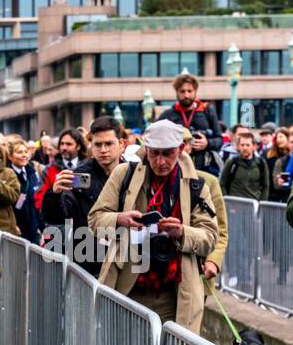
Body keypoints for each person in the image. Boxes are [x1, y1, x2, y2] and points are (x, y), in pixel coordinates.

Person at [88, 119, 219, 332]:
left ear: (181, 149)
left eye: (167, 153)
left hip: (174, 293)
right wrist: (120, 219)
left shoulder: (197, 186)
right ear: (146, 149)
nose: (160, 161)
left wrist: (182, 233)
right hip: (128, 287)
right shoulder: (124, 175)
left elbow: (211, 237)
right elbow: (95, 219)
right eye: (154, 153)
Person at [39, 115, 126, 276]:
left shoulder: (134, 174)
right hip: (90, 263)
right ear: (91, 146)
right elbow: (56, 217)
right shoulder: (79, 176)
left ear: (121, 145)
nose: (103, 150)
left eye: (109, 143)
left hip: (127, 260)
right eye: (98, 144)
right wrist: (55, 193)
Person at [184, 126, 229, 285]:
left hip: (198, 270)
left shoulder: (208, 181)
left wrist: (213, 260)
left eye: (184, 144)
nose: (179, 150)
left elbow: (220, 230)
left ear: (189, 147)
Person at [157, 73, 223, 175]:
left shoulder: (208, 110)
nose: (186, 95)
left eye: (189, 91)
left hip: (204, 166)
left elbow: (220, 140)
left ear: (195, 91)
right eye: (182, 91)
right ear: (177, 92)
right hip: (176, 168)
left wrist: (207, 143)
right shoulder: (168, 114)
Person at [35, 127, 85, 214]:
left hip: (84, 222)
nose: (64, 147)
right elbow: (39, 199)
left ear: (78, 146)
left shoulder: (88, 167)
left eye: (69, 144)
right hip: (58, 223)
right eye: (62, 144)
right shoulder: (49, 169)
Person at [6, 135, 41, 244]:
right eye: (19, 152)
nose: (24, 155)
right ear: (10, 156)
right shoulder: (7, 175)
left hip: (33, 229)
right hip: (17, 231)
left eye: (26, 152)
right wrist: (12, 225)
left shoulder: (32, 173)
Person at [219, 128, 269, 201]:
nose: (245, 148)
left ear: (253, 146)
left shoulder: (261, 163)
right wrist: (227, 200)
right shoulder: (232, 162)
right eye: (242, 145)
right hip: (235, 204)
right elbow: (222, 183)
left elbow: (265, 186)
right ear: (238, 146)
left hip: (254, 204)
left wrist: (262, 203)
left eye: (248, 145)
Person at [266, 122, 292, 202]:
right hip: (273, 195)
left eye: (281, 137)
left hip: (288, 195)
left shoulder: (291, 156)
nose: (279, 140)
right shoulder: (270, 156)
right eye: (277, 137)